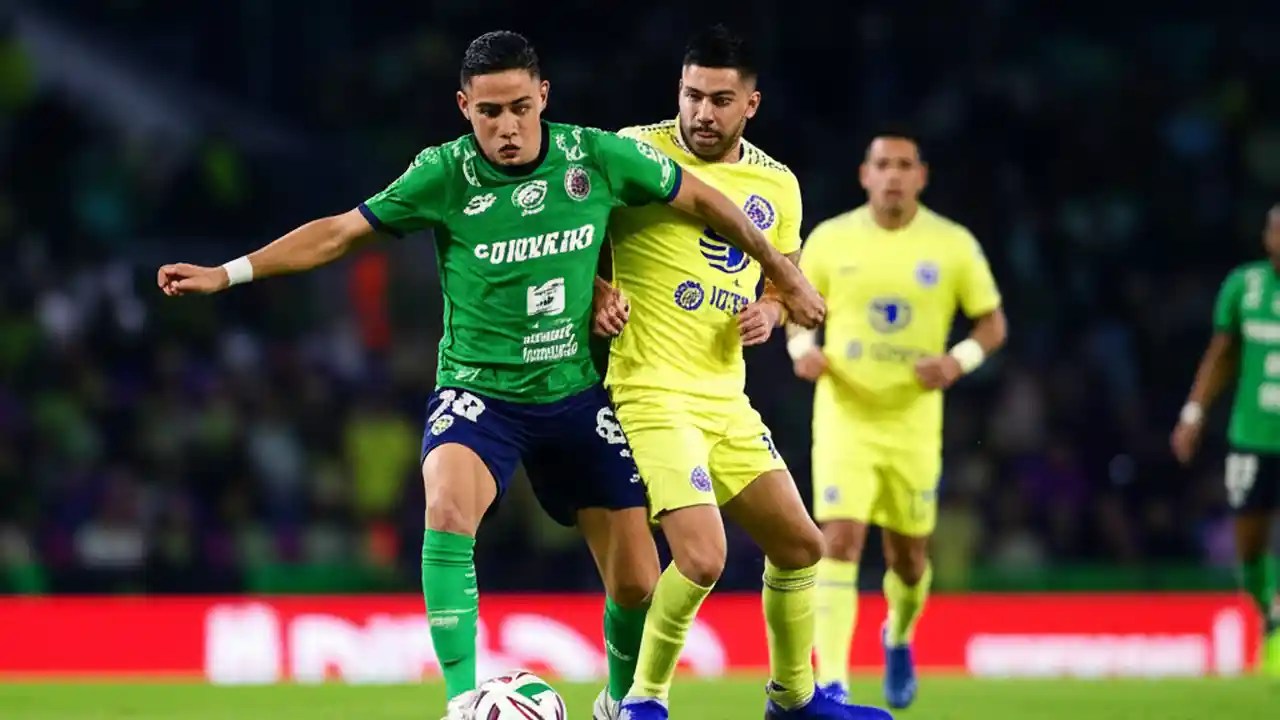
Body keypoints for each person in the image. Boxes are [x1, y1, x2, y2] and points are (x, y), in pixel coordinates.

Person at [155, 30, 824, 720]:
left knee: (637, 582)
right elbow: (340, 232)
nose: (507, 127)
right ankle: (463, 701)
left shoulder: (593, 156)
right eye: (489, 112)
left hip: (573, 394)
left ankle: (619, 703)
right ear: (463, 107)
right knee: (447, 508)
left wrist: (779, 273)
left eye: (519, 108)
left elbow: (705, 201)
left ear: (543, 97)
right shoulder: (443, 174)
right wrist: (227, 273)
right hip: (481, 392)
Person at [591, 25, 890, 720]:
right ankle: (640, 701)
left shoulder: (777, 184)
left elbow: (786, 284)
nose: (702, 113)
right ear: (678, 90)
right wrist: (596, 290)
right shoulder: (634, 151)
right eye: (692, 95)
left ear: (751, 104)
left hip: (725, 398)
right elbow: (573, 239)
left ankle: (793, 699)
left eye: (720, 100)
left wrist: (772, 310)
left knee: (801, 546)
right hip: (649, 389)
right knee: (702, 557)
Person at [787, 131, 1006, 709]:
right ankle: (833, 681)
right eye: (882, 164)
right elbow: (795, 308)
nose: (893, 175)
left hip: (913, 421)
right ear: (865, 174)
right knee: (838, 540)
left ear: (921, 176)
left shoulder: (952, 244)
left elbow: (992, 323)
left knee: (908, 560)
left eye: (904, 165)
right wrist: (802, 348)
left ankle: (899, 635)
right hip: (845, 413)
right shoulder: (831, 239)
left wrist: (957, 361)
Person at [1171, 204, 1280, 676]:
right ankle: (1270, 621)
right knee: (1250, 544)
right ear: (1267, 237)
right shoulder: (1243, 285)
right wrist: (1194, 413)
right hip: (1252, 436)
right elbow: (1222, 353)